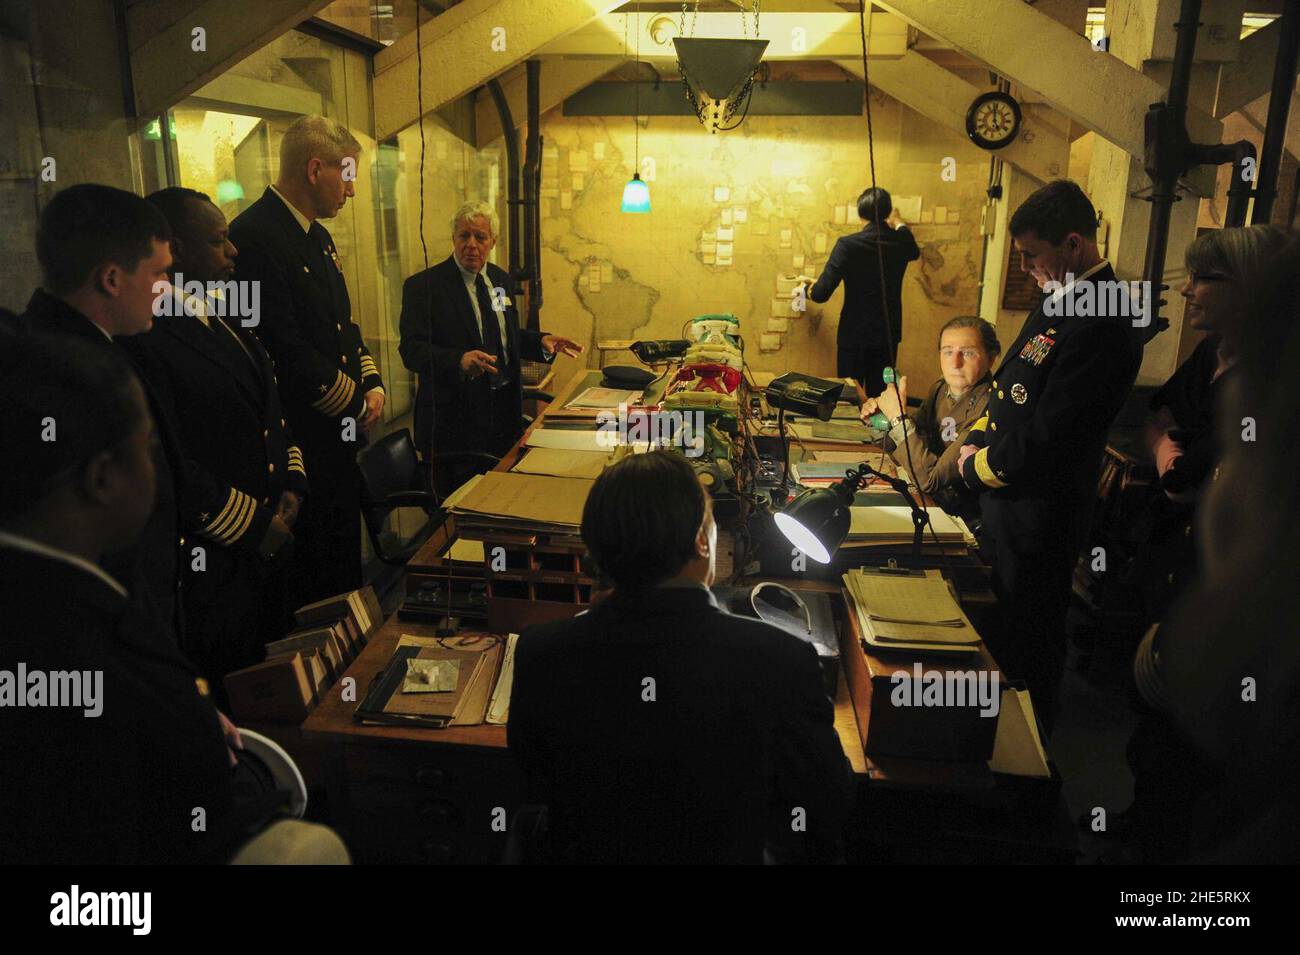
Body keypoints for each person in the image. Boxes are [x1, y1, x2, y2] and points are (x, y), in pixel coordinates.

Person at [0, 336, 349, 865]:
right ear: (102, 478)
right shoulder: (103, 660)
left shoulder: (54, 593)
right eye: (150, 448)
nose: (161, 470)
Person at [508, 451, 855, 864]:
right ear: (701, 541)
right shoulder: (784, 660)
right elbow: (827, 801)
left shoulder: (540, 652)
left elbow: (535, 781)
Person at [1107, 225, 1287, 863]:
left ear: (1253, 290)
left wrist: (1190, 474)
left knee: (1203, 752)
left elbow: (1215, 480)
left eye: (1205, 278)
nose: (1187, 291)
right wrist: (1167, 455)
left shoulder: (1273, 381)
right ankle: (1147, 830)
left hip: (1222, 583)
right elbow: (1160, 418)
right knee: (1157, 725)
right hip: (1173, 558)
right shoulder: (1212, 355)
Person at [955, 179, 1144, 733]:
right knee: (1001, 624)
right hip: (1009, 502)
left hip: (1041, 510)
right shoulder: (1063, 297)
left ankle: (1029, 748)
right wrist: (978, 437)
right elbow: (1013, 388)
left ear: (1073, 245)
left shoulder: (1104, 320)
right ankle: (996, 735)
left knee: (1028, 636)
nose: (1026, 268)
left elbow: (1052, 434)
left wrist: (976, 467)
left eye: (1032, 255)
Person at [120, 187, 311, 697]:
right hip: (216, 561)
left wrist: (291, 482)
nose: (233, 250)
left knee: (273, 687)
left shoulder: (220, 313)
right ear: (177, 251)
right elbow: (168, 459)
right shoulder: (147, 335)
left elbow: (270, 415)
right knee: (235, 693)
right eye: (217, 240)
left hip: (264, 549)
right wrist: (253, 524)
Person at [14, 183, 185, 644]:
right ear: (111, 279)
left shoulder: (93, 348)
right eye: (159, 273)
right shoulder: (65, 375)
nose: (167, 289)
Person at [228, 115, 384, 609]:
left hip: (336, 437)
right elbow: (282, 347)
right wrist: (354, 403)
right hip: (302, 439)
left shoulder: (317, 237)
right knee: (315, 585)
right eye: (347, 176)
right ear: (316, 169)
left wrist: (372, 384)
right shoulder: (255, 236)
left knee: (343, 568)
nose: (352, 191)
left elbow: (342, 326)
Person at [398, 201, 583, 496]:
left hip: (503, 416)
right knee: (460, 506)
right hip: (454, 426)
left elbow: (504, 334)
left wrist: (540, 342)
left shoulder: (499, 281)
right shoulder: (426, 287)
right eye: (464, 236)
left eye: (480, 237)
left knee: (502, 497)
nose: (471, 244)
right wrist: (458, 360)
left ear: (493, 241)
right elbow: (411, 350)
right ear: (454, 238)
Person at [860, 315, 999, 521]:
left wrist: (898, 419)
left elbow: (930, 480)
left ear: (991, 358)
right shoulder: (941, 388)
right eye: (948, 352)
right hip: (928, 500)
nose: (955, 363)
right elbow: (909, 448)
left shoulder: (990, 406)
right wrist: (880, 421)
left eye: (968, 353)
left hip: (960, 514)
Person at [802, 186, 919, 398]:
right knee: (881, 397)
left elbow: (821, 293)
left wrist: (805, 288)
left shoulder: (848, 245)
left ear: (860, 213)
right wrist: (898, 222)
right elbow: (913, 248)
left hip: (853, 334)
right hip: (887, 335)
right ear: (887, 212)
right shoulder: (901, 243)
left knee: (851, 397)